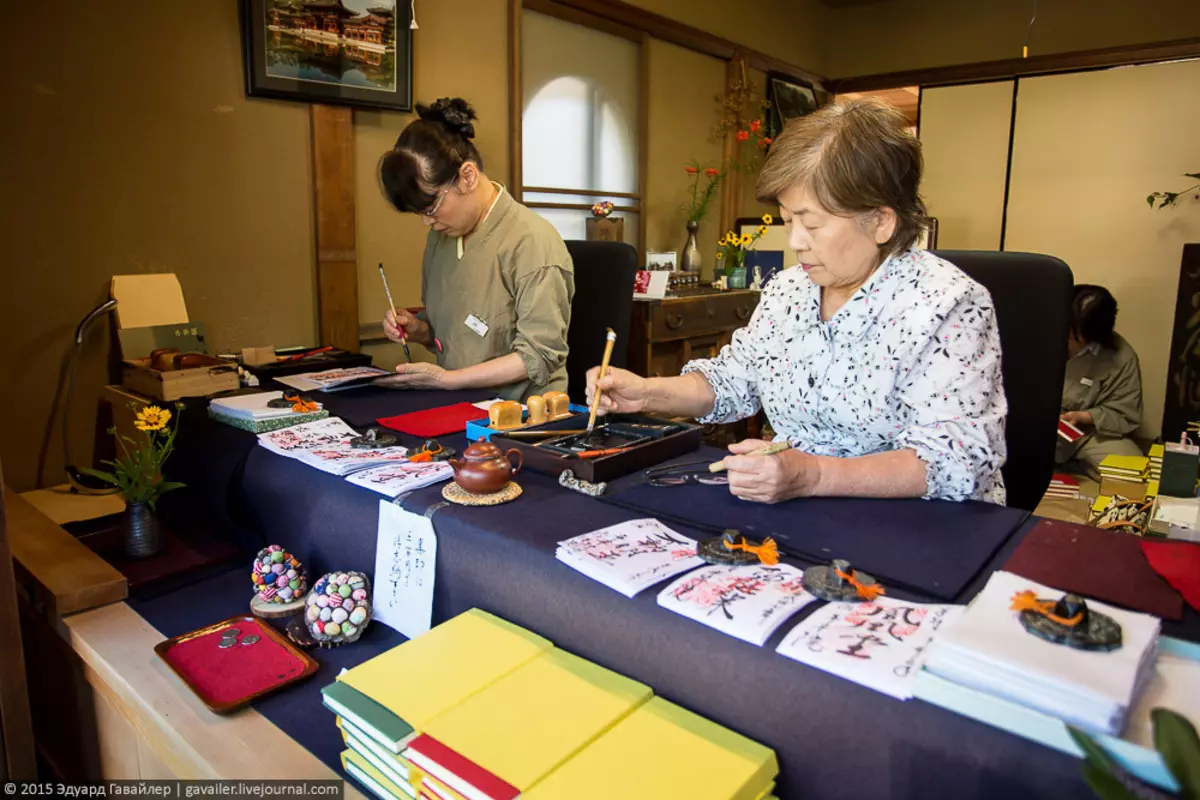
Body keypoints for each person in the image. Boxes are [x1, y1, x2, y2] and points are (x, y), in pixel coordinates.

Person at [587, 98, 1008, 505]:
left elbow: (958, 460)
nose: (794, 242)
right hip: (798, 506)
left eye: (812, 223)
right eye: (788, 221)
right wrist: (645, 395)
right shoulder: (789, 290)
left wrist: (814, 474)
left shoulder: (947, 304)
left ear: (880, 221)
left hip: (917, 525)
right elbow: (733, 381)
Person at [378, 97, 574, 401]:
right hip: (457, 404)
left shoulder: (532, 242)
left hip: (521, 416)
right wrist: (420, 330)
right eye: (419, 213)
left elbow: (538, 355)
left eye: (431, 206)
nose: (427, 222)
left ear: (467, 177)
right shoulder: (441, 238)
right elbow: (463, 332)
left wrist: (449, 380)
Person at [1056, 285, 1144, 477]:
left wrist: (1083, 416)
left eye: (1075, 333)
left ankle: (1074, 465)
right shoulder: (1040, 336)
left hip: (1086, 435)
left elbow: (1124, 412)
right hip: (1033, 427)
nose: (1067, 336)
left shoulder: (1121, 357)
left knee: (1133, 472)